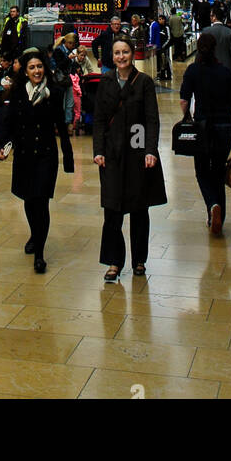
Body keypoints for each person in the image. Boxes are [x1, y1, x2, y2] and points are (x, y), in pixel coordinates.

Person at [93, 33, 166, 279]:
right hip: (112, 155)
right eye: (117, 53)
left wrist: (150, 151)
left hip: (137, 154)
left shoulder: (143, 82)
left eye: (125, 52)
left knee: (138, 208)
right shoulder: (105, 81)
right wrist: (98, 151)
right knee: (112, 209)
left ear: (132, 54)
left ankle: (139, 260)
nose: (121, 56)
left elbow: (152, 119)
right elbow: (100, 119)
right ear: (111, 57)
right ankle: (114, 261)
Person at [0, 47, 74, 273]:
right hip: (25, 154)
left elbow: (61, 126)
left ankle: (40, 252)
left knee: (42, 201)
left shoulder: (54, 92)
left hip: (47, 154)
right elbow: (7, 122)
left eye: (39, 66)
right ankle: (34, 234)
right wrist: (0, 147)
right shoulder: (18, 93)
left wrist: (68, 156)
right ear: (26, 71)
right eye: (32, 68)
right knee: (29, 200)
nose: (37, 71)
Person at [179, 32, 231, 235]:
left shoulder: (193, 71)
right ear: (215, 49)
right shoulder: (225, 72)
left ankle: (212, 205)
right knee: (218, 172)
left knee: (201, 171)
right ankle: (219, 218)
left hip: (202, 127)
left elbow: (184, 100)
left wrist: (188, 117)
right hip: (224, 127)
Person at [202, 6, 231, 82]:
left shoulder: (206, 31)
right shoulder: (230, 32)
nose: (210, 17)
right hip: (227, 69)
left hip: (210, 68)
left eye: (211, 15)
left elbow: (202, 52)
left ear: (214, 17)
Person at [51, 33, 76, 132]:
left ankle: (68, 123)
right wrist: (68, 59)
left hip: (66, 79)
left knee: (69, 102)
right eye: (72, 44)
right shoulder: (58, 51)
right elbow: (59, 65)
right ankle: (60, 123)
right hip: (59, 80)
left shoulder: (68, 51)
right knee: (62, 102)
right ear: (68, 43)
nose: (73, 46)